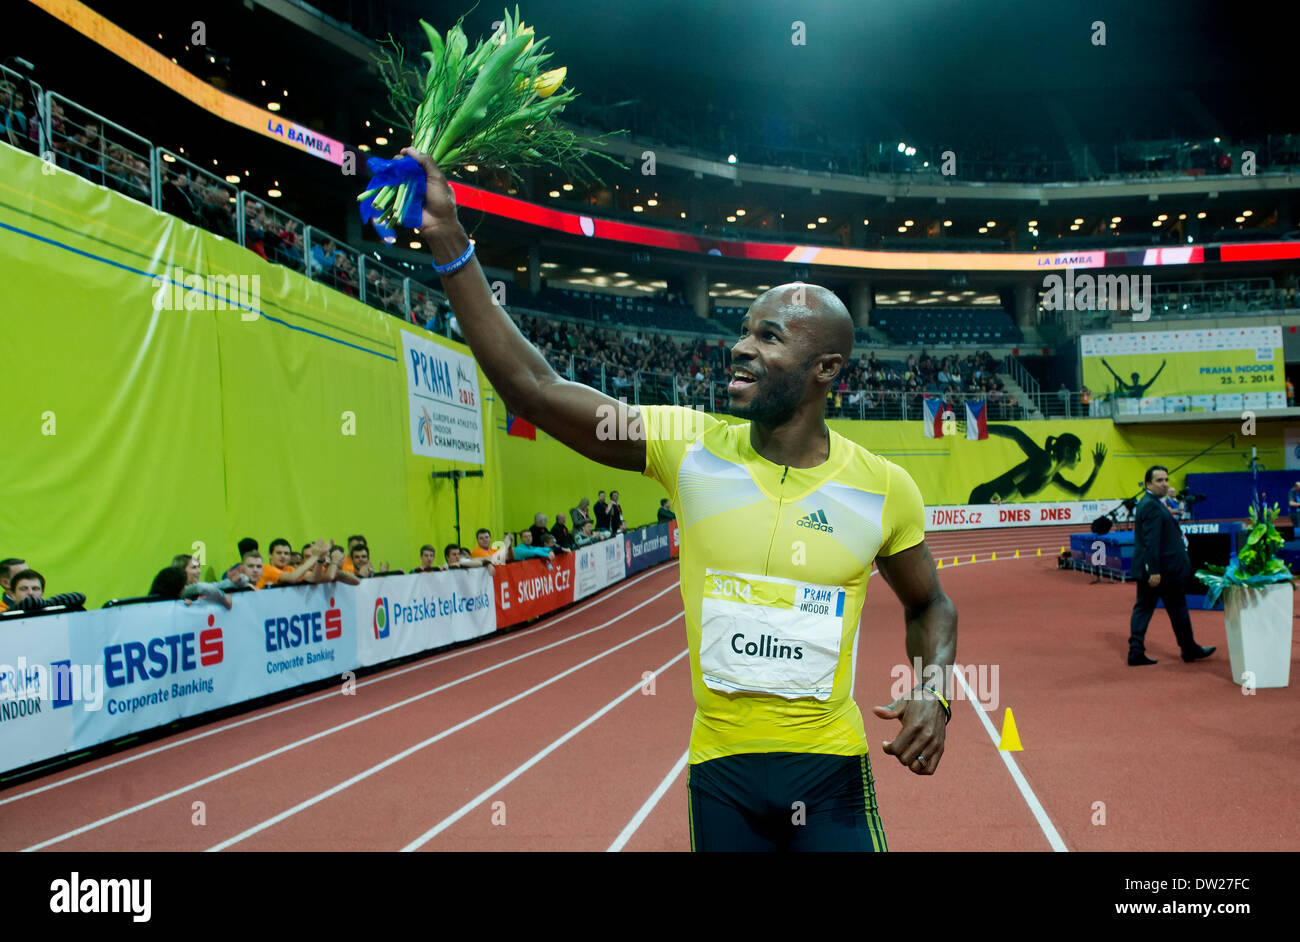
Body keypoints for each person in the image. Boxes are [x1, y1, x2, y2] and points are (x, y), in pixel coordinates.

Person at [406, 145, 955, 853]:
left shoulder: (884, 487)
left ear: (827, 369)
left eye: (768, 336)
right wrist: (451, 245)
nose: (739, 347)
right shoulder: (685, 446)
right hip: (719, 773)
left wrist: (934, 693)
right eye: (741, 329)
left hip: (830, 774)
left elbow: (930, 602)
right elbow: (534, 390)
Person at [1128, 466, 1216, 666]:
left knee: (1153, 608)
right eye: (1159, 480)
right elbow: (1151, 541)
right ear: (1148, 484)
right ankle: (1186, 648)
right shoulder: (1151, 505)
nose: (1165, 484)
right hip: (1162, 572)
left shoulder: (1152, 503)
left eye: (1166, 479)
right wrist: (1154, 570)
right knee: (1170, 609)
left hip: (1162, 570)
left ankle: (1141, 649)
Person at [6, 570, 86, 612]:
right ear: (12, 595)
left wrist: (46, 604)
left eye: (35, 589)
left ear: (42, 594)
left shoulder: (51, 610)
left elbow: (79, 597)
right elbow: (30, 602)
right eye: (23, 589)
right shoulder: (5, 616)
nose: (30, 593)